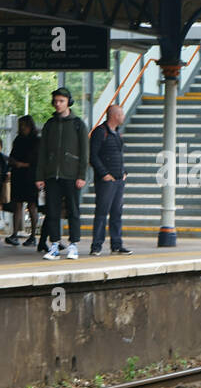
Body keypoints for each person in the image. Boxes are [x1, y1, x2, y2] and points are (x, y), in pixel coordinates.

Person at [36, 86, 88, 260]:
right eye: (56, 101)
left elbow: (84, 152)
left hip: (72, 175)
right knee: (52, 211)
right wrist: (39, 176)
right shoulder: (49, 125)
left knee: (73, 210)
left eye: (61, 101)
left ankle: (73, 244)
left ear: (68, 102)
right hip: (52, 175)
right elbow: (42, 151)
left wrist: (82, 175)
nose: (58, 104)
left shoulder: (78, 124)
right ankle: (55, 245)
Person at [89, 104, 132, 256]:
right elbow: (93, 155)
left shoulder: (117, 133)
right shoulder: (101, 133)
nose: (123, 117)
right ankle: (96, 245)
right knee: (102, 212)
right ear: (115, 116)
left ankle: (116, 244)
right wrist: (104, 174)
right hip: (106, 180)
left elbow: (119, 155)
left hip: (119, 179)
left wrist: (123, 172)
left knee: (116, 212)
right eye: (121, 114)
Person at [5, 115, 40, 246]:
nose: (22, 128)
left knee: (32, 205)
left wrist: (22, 164)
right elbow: (12, 155)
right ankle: (15, 233)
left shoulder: (36, 141)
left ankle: (33, 235)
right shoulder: (18, 140)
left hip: (30, 175)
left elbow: (37, 160)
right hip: (18, 175)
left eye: (24, 126)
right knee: (17, 204)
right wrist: (13, 163)